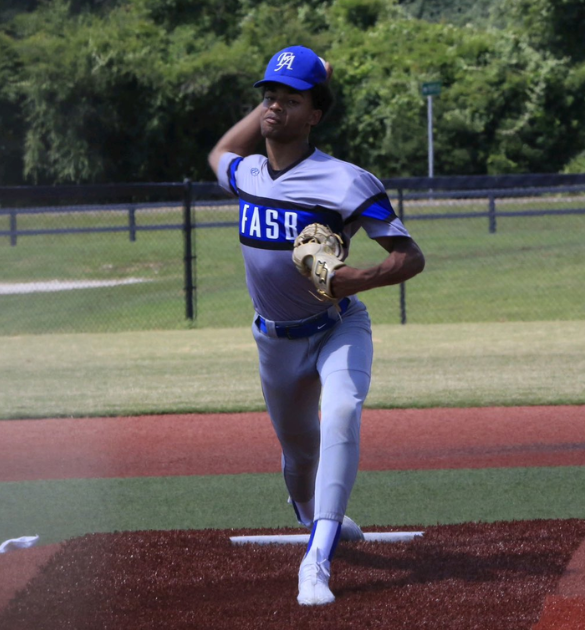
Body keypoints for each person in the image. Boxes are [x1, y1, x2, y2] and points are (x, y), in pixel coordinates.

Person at [207, 45, 425, 606]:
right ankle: (313, 518)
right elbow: (220, 153)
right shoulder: (248, 173)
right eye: (269, 96)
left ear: (316, 115)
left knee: (343, 413)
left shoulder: (346, 182)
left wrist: (357, 279)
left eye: (291, 100)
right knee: (299, 456)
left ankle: (317, 560)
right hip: (274, 341)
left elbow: (410, 257)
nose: (275, 106)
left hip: (337, 326)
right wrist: (275, 98)